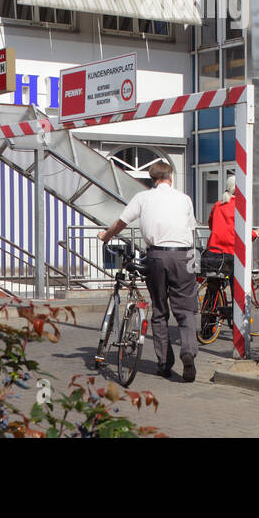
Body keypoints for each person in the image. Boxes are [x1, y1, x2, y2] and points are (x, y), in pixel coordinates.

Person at [98, 162, 199, 382]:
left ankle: (164, 364)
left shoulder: (143, 198)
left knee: (160, 310)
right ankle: (188, 352)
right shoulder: (184, 199)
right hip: (184, 255)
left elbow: (121, 223)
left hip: (157, 256)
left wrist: (105, 236)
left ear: (152, 179)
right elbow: (190, 229)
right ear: (170, 177)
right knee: (186, 310)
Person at [202, 174, 259, 320]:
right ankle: (237, 323)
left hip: (212, 253)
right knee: (237, 288)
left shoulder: (218, 204)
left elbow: (211, 225)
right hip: (229, 254)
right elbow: (243, 231)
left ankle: (206, 329)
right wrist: (256, 233)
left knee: (212, 288)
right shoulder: (239, 207)